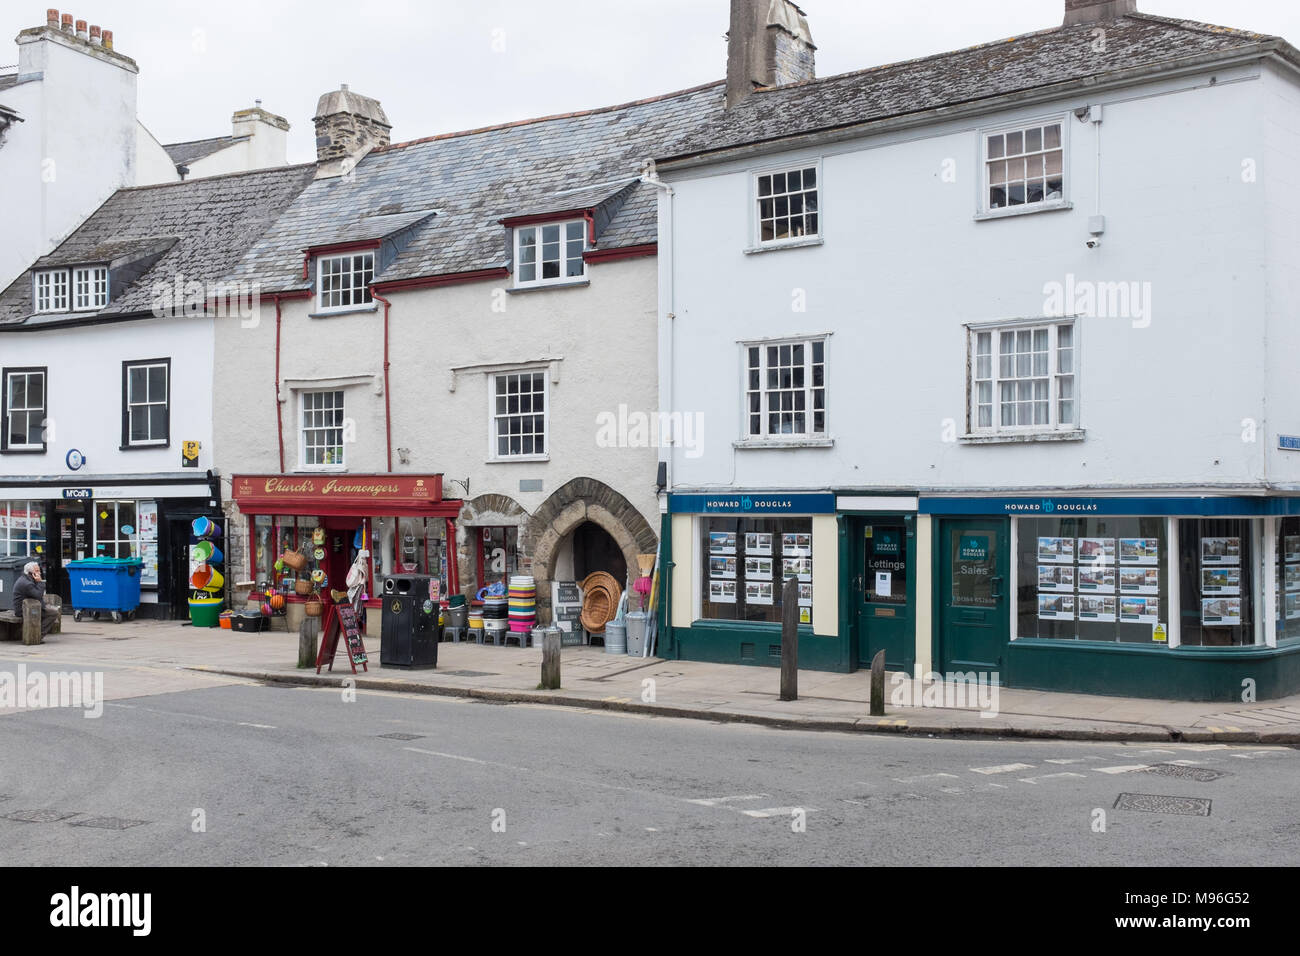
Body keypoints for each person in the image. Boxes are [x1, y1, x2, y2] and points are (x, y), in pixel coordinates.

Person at [13, 561, 59, 636]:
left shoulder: (27, 579)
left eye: (39, 570)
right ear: (31, 573)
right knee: (53, 613)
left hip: (30, 607)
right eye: (37, 571)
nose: (40, 573)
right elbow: (38, 595)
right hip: (24, 610)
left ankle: (35, 632)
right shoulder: (27, 583)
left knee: (51, 609)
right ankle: (37, 635)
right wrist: (40, 582)